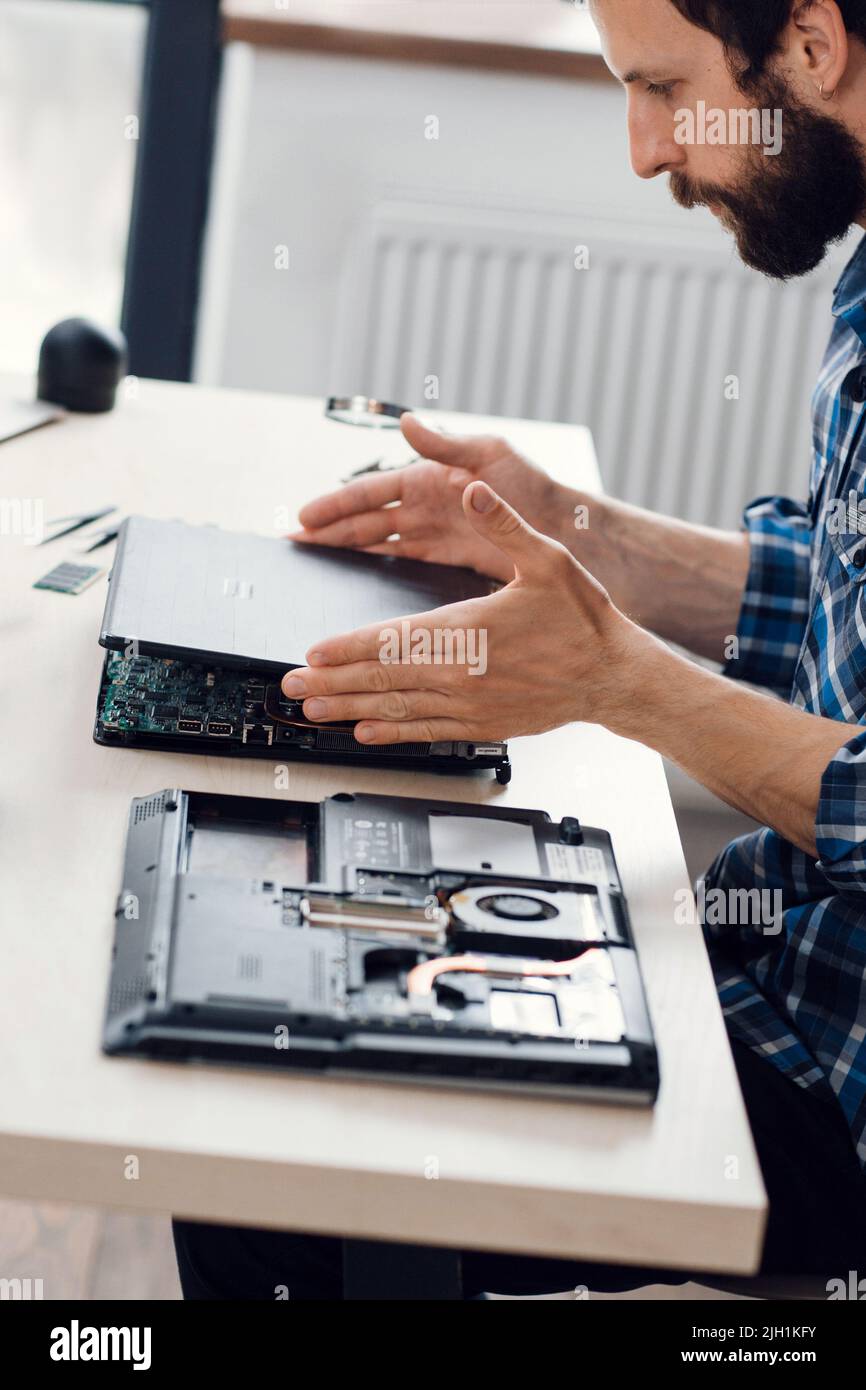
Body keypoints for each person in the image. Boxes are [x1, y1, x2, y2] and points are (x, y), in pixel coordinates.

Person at [174, 0, 866, 1298]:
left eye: (662, 89)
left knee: (269, 1173)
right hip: (778, 943)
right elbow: (828, 604)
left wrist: (612, 680)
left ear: (811, 46)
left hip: (836, 1074)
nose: (643, 151)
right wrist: (567, 528)